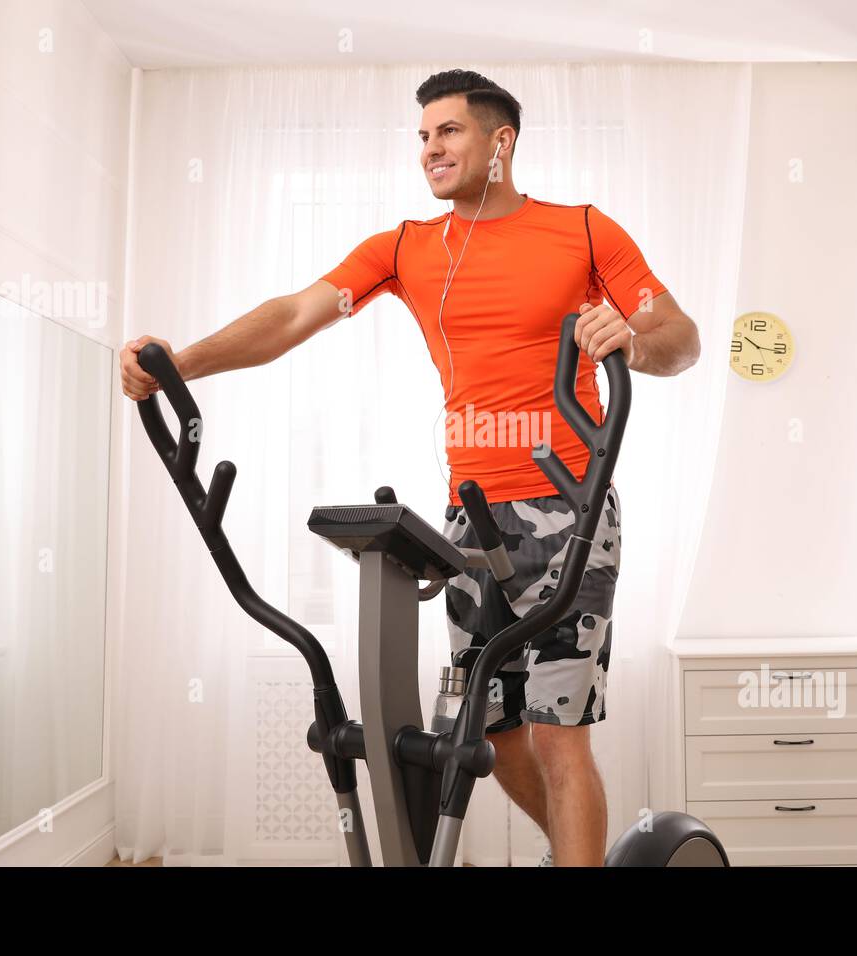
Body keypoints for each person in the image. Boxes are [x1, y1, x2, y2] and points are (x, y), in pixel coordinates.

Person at [120, 69, 700, 867]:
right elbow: (292, 315)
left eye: (448, 132)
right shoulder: (407, 249)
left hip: (572, 505)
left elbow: (681, 337)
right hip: (470, 521)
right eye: (422, 136)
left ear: (501, 143)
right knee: (484, 733)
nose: (430, 149)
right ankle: (582, 858)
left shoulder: (586, 232)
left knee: (558, 736)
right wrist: (177, 363)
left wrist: (629, 339)